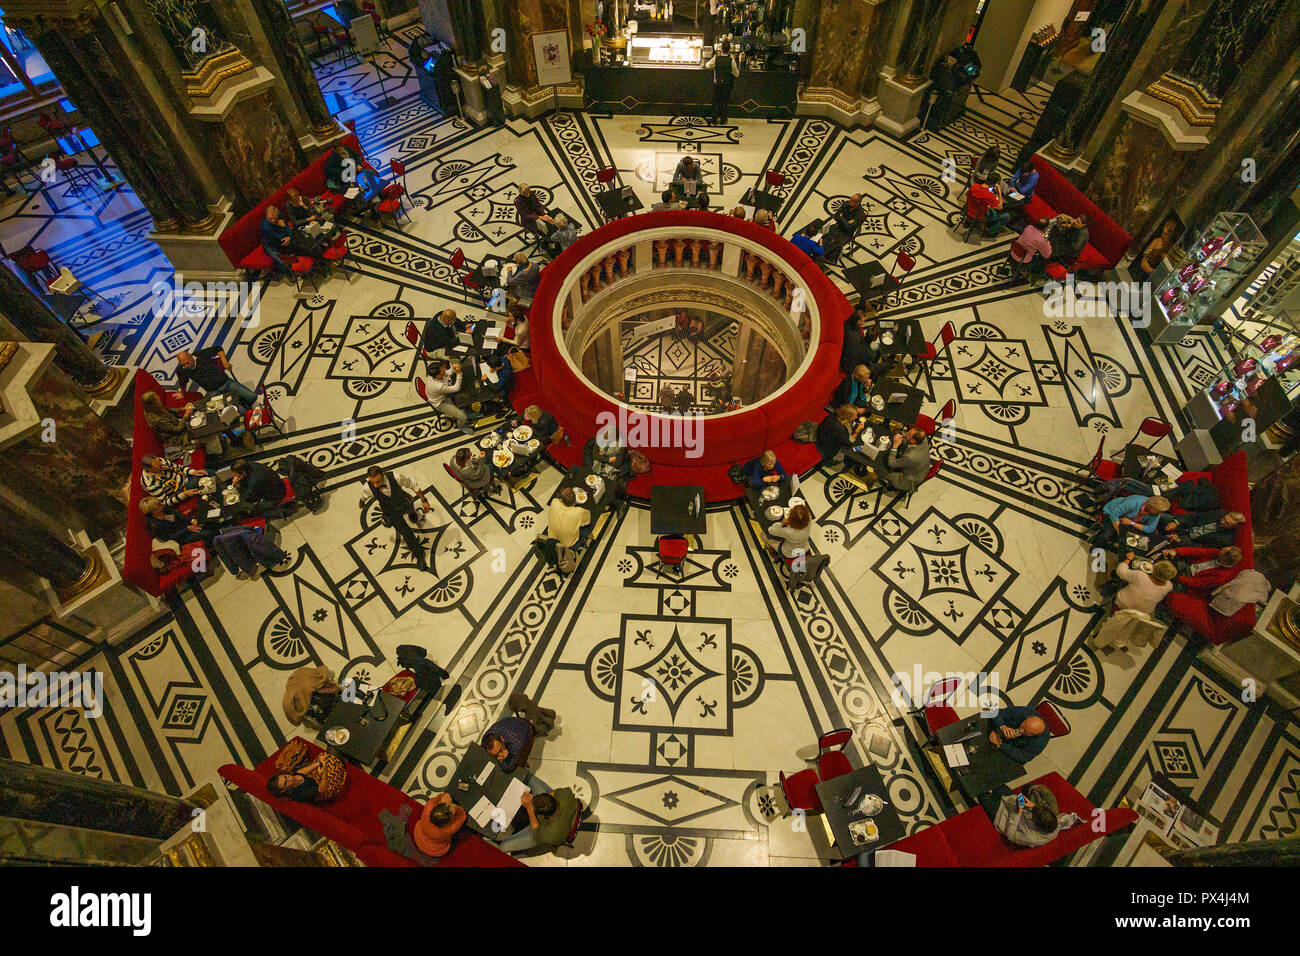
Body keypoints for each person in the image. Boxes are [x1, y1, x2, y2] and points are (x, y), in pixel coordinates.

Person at [360, 465, 433, 571]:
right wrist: (361, 502)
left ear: (383, 475)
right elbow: (363, 496)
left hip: (404, 502)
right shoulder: (367, 487)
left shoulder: (396, 477)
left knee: (410, 510)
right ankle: (420, 556)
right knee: (406, 533)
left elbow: (413, 484)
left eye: (378, 482)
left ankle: (412, 513)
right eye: (372, 483)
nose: (375, 485)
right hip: (390, 510)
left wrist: (424, 500)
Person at [990, 783, 1081, 848]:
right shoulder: (1054, 822)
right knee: (996, 782)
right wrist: (1031, 805)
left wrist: (1018, 813)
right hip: (1013, 802)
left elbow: (1010, 835)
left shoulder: (1030, 838)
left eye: (1033, 815)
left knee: (983, 792)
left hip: (1001, 815)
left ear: (1036, 823)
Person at [496, 788, 581, 855]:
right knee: (531, 779)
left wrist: (529, 808)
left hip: (548, 832)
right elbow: (554, 793)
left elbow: (536, 835)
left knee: (503, 847)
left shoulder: (548, 835)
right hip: (569, 813)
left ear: (542, 816)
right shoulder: (565, 794)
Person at [176, 347, 257, 409]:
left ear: (191, 357)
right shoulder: (181, 370)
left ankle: (243, 402)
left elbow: (218, 348)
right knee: (211, 410)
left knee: (252, 397)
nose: (186, 366)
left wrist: (224, 361)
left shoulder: (201, 354)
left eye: (187, 363)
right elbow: (183, 383)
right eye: (183, 364)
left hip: (226, 382)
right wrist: (182, 394)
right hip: (212, 391)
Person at [267, 749, 347, 804]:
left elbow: (301, 772)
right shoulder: (299, 794)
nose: (289, 778)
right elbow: (322, 789)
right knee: (333, 760)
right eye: (286, 783)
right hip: (324, 788)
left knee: (326, 756)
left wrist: (319, 763)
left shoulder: (292, 776)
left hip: (315, 777)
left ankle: (340, 756)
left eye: (285, 777)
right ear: (283, 790)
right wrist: (324, 769)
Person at [1160, 545, 1244, 594]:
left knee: (1164, 586)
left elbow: (1196, 583)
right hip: (1187, 565)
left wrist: (1177, 577)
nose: (1219, 552)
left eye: (1221, 553)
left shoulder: (1221, 576)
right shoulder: (1218, 552)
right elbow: (1197, 551)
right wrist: (1176, 551)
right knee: (1163, 559)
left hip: (1189, 580)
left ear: (1225, 561)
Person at [583, 428, 632, 509]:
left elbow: (617, 463)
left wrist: (602, 456)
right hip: (598, 465)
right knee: (591, 482)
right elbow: (595, 455)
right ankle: (596, 500)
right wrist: (608, 458)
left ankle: (618, 504)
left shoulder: (621, 445)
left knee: (606, 487)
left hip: (611, 469)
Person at [873, 427, 933, 493]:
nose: (905, 434)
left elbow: (891, 463)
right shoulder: (923, 439)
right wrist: (902, 439)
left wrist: (895, 446)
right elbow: (909, 443)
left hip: (908, 479)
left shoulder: (910, 457)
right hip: (922, 469)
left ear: (913, 440)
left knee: (878, 469)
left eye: (908, 434)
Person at [1097, 494, 1171, 546]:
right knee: (1110, 534)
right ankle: (1097, 544)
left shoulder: (1156, 513)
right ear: (1152, 507)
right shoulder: (1134, 502)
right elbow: (1114, 514)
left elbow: (1150, 529)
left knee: (1137, 538)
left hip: (1128, 521)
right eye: (1159, 511)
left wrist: (1132, 523)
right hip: (1110, 513)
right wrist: (1119, 530)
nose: (1160, 513)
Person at [986, 704, 1051, 764]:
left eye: (1025, 732)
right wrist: (1002, 726)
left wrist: (1001, 744)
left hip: (1011, 747)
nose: (1021, 730)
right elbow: (996, 712)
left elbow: (1024, 757)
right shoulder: (1024, 712)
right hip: (997, 730)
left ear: (1032, 735)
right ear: (1025, 719)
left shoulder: (1040, 741)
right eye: (1022, 726)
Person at [424, 359, 474, 433]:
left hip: (441, 394)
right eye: (442, 370)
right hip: (440, 403)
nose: (444, 370)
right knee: (463, 416)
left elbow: (448, 373)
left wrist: (453, 368)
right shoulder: (438, 386)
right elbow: (456, 388)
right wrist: (459, 373)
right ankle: (461, 425)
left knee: (463, 395)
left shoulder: (433, 375)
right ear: (438, 376)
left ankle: (464, 411)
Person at [140, 454, 209, 507]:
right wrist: (184, 494)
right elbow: (164, 503)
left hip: (186, 478)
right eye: (159, 467)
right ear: (150, 470)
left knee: (208, 473)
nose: (162, 466)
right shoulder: (150, 483)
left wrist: (193, 472)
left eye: (160, 463)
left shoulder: (160, 461)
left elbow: (178, 468)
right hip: (180, 493)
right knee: (208, 483)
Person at [413, 792, 467, 858]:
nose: (451, 804)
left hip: (419, 836)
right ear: (448, 821)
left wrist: (444, 797)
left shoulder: (429, 805)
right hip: (436, 850)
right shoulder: (449, 829)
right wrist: (456, 808)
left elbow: (440, 796)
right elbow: (463, 815)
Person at [1162, 509, 1245, 549]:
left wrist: (1181, 540)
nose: (1223, 522)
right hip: (1186, 525)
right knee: (1161, 515)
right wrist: (1176, 522)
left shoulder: (1225, 539)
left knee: (1164, 542)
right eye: (1224, 518)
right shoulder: (1218, 513)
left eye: (1227, 523)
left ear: (1233, 527)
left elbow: (1203, 548)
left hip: (1190, 539)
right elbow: (1195, 515)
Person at [140, 497, 208, 544]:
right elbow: (168, 537)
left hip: (185, 525)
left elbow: (178, 514)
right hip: (180, 536)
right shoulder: (154, 525)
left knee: (206, 521)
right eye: (158, 505)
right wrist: (187, 529)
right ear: (153, 511)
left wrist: (192, 520)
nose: (162, 504)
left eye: (159, 502)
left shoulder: (163, 508)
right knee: (206, 532)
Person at [704, 39, 740, 124]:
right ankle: (723, 120)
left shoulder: (716, 58)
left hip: (717, 83)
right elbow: (737, 74)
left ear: (721, 49)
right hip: (727, 84)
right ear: (729, 50)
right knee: (724, 102)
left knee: (716, 101)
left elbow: (707, 65)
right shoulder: (731, 60)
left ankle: (714, 119)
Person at [515, 184, 556, 250]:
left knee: (551, 221)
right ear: (521, 193)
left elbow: (538, 205)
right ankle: (549, 242)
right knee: (542, 230)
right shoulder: (518, 201)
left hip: (537, 214)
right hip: (529, 220)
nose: (528, 193)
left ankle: (553, 237)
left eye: (528, 191)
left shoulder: (532, 194)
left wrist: (543, 214)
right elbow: (525, 215)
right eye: (526, 192)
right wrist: (539, 217)